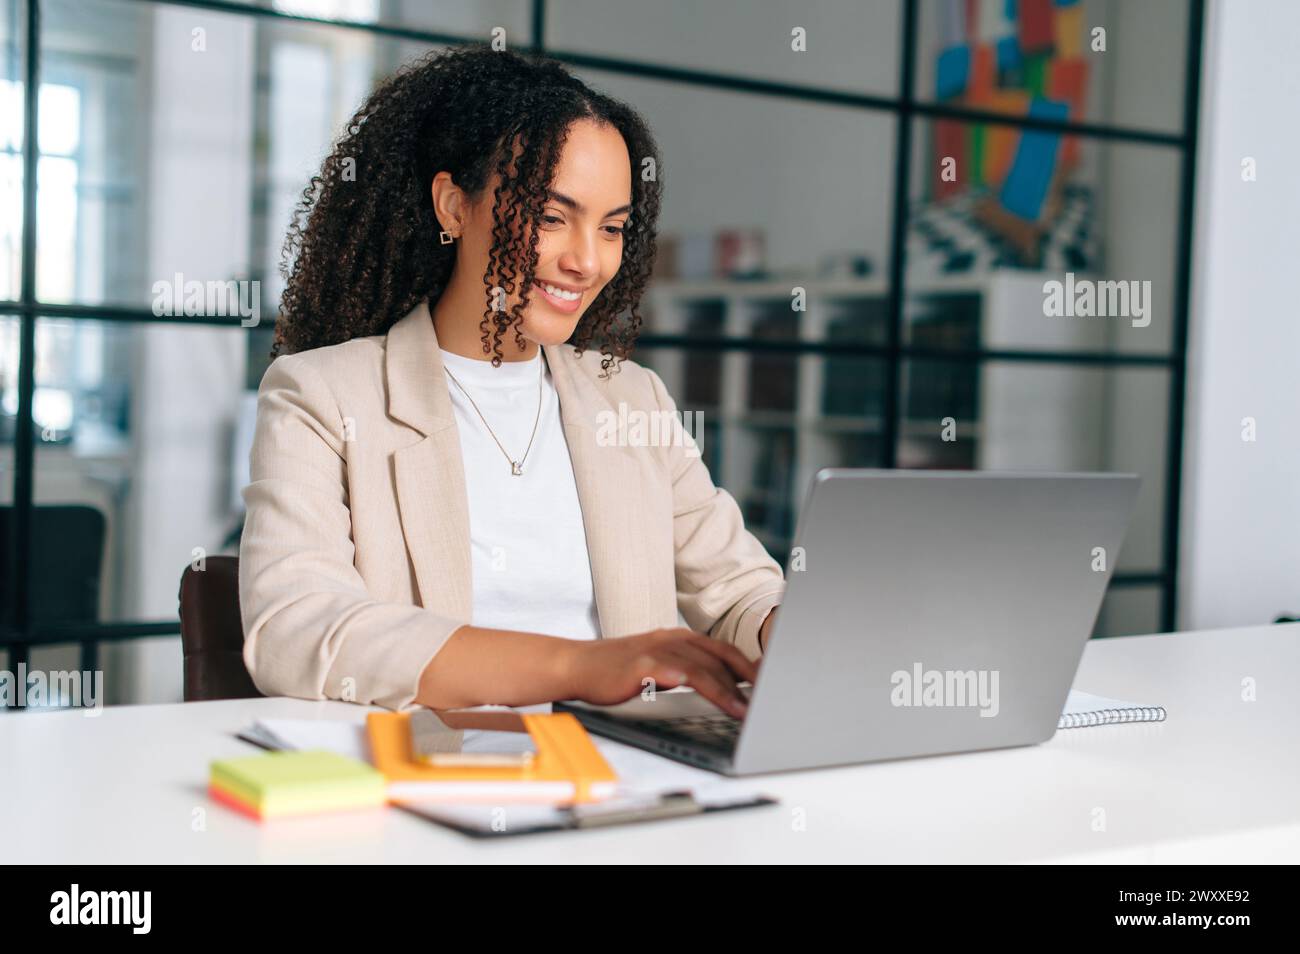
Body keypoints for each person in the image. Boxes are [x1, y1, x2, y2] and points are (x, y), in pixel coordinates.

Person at [239, 45, 784, 719]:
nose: (585, 260)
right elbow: (298, 631)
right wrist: (581, 668)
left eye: (611, 228)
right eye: (552, 217)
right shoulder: (321, 395)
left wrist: (783, 628)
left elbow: (735, 591)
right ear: (453, 206)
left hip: (630, 774)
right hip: (445, 776)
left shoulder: (631, 399)